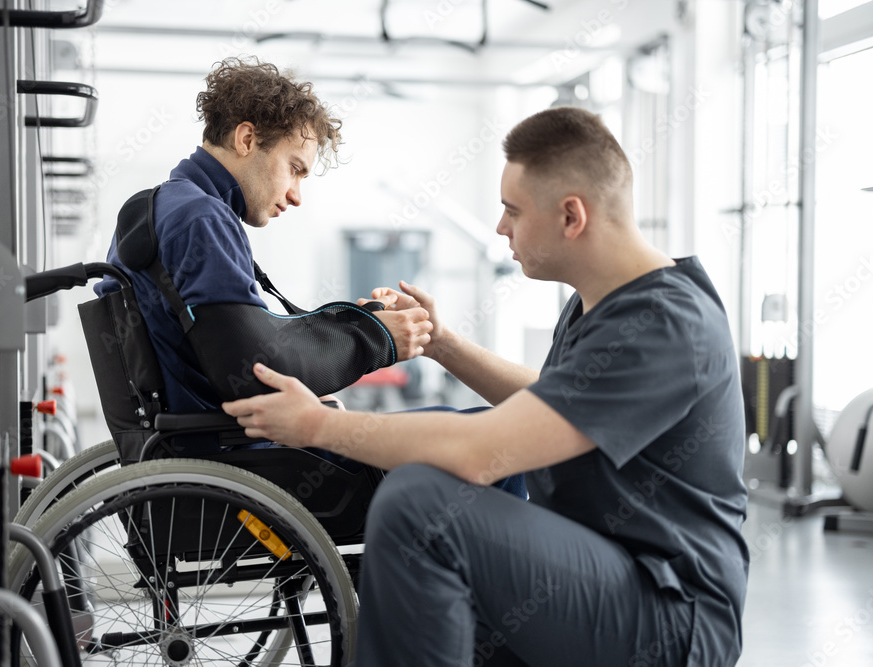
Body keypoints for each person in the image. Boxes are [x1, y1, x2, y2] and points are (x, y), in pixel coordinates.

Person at [222, 107, 749, 666]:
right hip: (600, 573)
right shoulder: (602, 300)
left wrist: (319, 426)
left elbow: (483, 453)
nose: (501, 228)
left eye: (513, 211)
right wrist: (443, 341)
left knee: (423, 503)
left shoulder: (665, 324)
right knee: (437, 454)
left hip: (670, 616)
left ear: (572, 216)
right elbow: (548, 405)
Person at [94, 57, 432, 423]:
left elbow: (250, 339)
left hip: (192, 440)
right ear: (247, 139)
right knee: (441, 434)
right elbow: (257, 371)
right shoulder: (201, 218)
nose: (297, 195)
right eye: (295, 169)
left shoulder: (164, 205)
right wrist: (379, 341)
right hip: (228, 452)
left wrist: (363, 321)